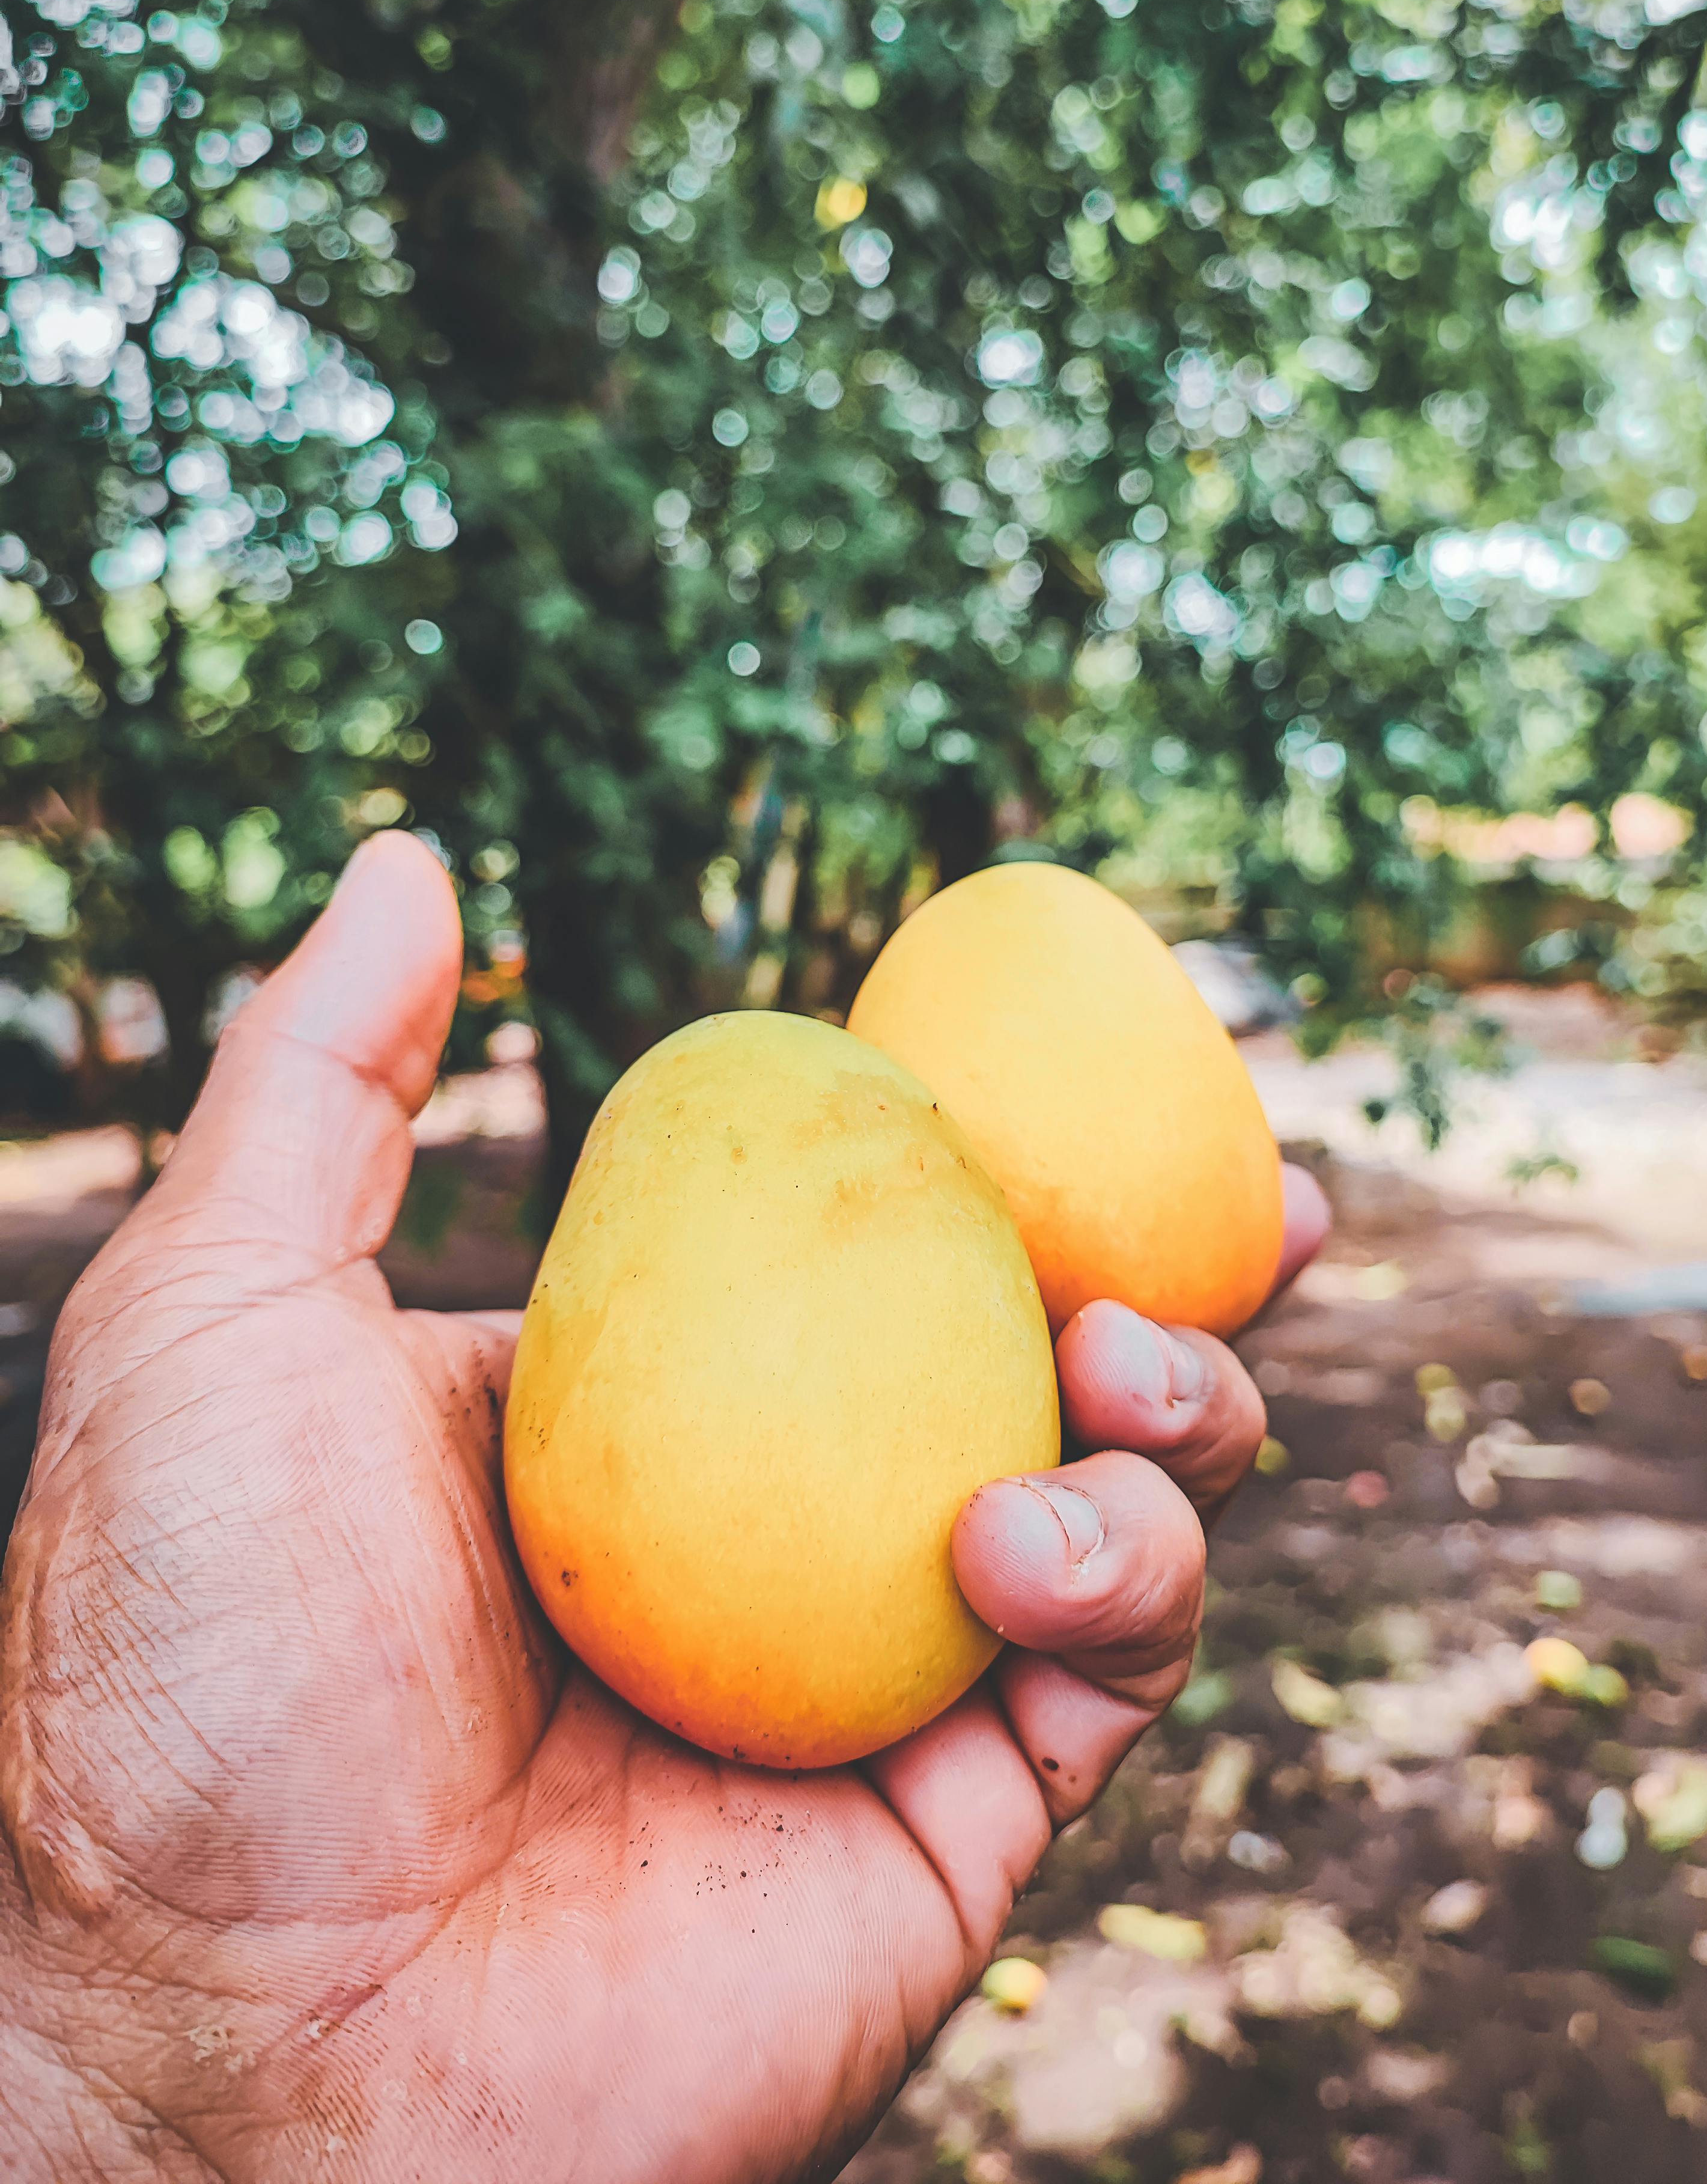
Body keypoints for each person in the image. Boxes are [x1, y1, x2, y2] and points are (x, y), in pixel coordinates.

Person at [0, 833, 1327, 2182]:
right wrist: (122, 2058)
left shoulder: (802, 1093)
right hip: (819, 1663)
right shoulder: (784, 1092)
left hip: (738, 1650)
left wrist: (125, 2094)